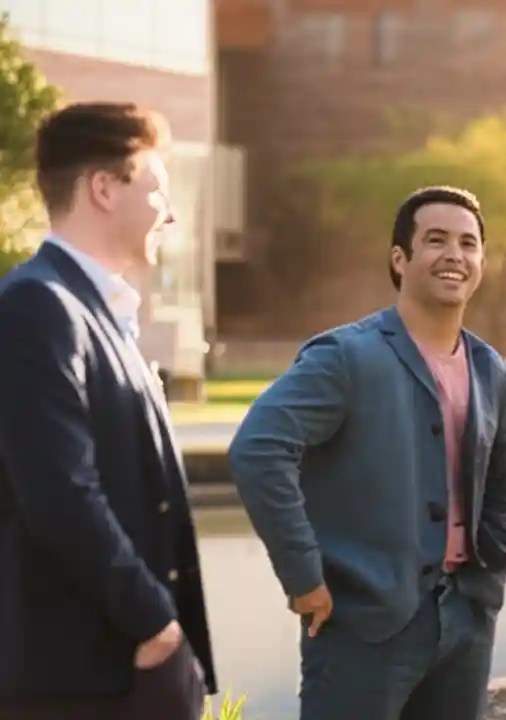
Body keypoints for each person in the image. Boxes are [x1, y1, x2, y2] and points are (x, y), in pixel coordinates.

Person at [228, 186, 506, 720]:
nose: (454, 256)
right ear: (400, 258)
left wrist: (492, 569)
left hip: (465, 622)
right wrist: (303, 577)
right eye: (435, 240)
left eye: (468, 243)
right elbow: (259, 449)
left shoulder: (490, 369)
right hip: (360, 627)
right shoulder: (346, 357)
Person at [0, 102, 215, 719]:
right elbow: (60, 493)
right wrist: (156, 625)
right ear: (103, 188)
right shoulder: (37, 308)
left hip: (118, 672)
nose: (169, 213)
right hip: (75, 683)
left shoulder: (97, 313)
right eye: (157, 189)